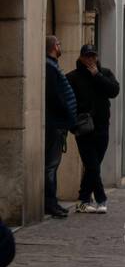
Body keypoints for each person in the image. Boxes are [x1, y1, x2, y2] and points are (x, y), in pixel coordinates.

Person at [66, 44, 120, 213]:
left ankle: (82, 199)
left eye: (93, 56)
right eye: (87, 56)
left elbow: (114, 91)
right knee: (92, 165)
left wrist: (97, 76)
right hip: (84, 128)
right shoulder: (72, 77)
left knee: (94, 165)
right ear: (81, 58)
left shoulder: (105, 73)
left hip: (102, 126)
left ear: (96, 57)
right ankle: (101, 199)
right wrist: (73, 125)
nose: (90, 59)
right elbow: (68, 103)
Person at [45, 35, 77, 218]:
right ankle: (50, 203)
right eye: (58, 44)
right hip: (55, 124)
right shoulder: (50, 67)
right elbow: (55, 97)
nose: (60, 46)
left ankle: (52, 201)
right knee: (51, 165)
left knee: (53, 165)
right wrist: (68, 116)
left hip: (58, 123)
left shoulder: (53, 66)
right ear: (53, 47)